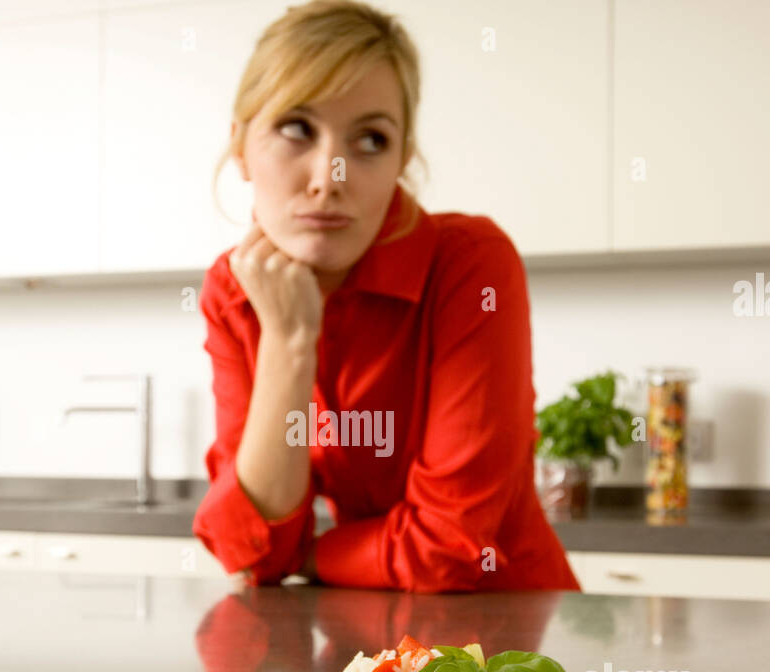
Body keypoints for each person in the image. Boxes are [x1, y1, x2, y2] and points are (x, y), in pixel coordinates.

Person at [193, 0, 581, 594]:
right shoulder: (233, 290)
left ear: (402, 158)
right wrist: (289, 344)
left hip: (503, 631)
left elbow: (453, 544)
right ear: (241, 145)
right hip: (365, 640)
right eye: (297, 128)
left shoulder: (472, 263)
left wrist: (310, 556)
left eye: (370, 139)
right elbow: (255, 551)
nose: (329, 177)